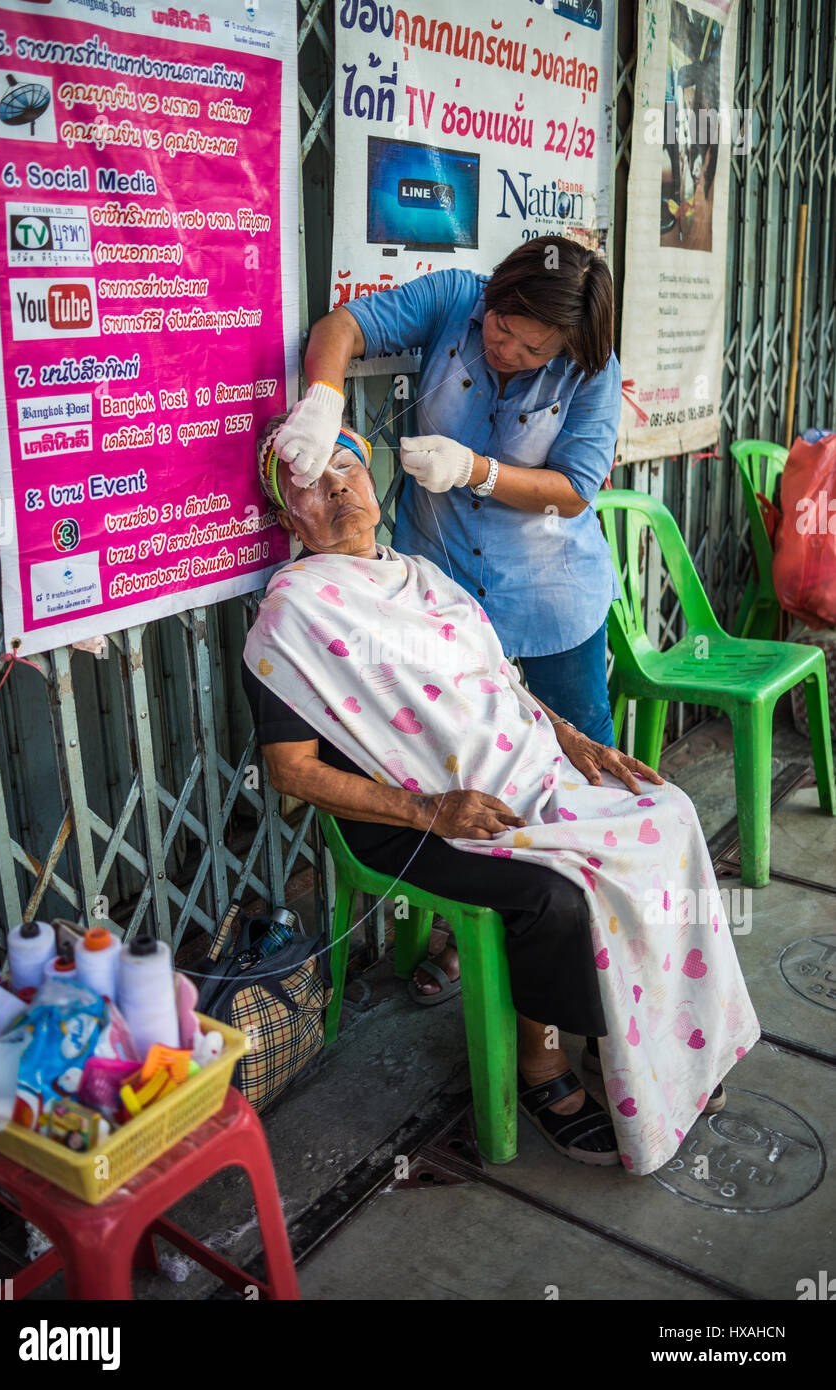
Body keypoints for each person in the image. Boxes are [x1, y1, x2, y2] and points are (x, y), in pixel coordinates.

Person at [240, 416, 760, 1175]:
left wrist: (573, 741)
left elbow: (501, 686)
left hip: (528, 770)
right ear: (291, 520)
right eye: (311, 487)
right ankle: (542, 1065)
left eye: (346, 470)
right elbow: (290, 772)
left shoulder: (421, 577)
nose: (337, 490)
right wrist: (429, 810)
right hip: (408, 817)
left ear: (375, 485)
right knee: (556, 897)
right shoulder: (292, 616)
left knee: (670, 813)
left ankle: (642, 1026)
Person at [273, 235, 623, 1000]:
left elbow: (574, 488)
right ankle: (461, 930)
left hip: (549, 598)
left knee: (572, 783)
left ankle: (587, 967)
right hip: (447, 598)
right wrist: (323, 402)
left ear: (567, 345)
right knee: (456, 770)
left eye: (532, 348)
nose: (504, 349)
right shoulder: (455, 299)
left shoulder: (590, 371)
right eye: (500, 328)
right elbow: (340, 330)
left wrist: (476, 471)